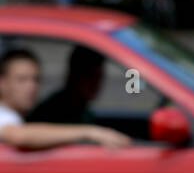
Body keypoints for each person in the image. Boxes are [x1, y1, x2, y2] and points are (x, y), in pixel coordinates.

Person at [0, 48, 130, 149]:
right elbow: (20, 136)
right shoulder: (3, 116)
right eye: (21, 80)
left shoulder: (14, 116)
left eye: (36, 79)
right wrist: (90, 132)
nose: (32, 87)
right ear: (2, 83)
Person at [33, 45, 105, 124]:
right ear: (75, 76)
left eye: (99, 77)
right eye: (90, 76)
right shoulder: (54, 110)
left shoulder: (83, 111)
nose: (96, 83)